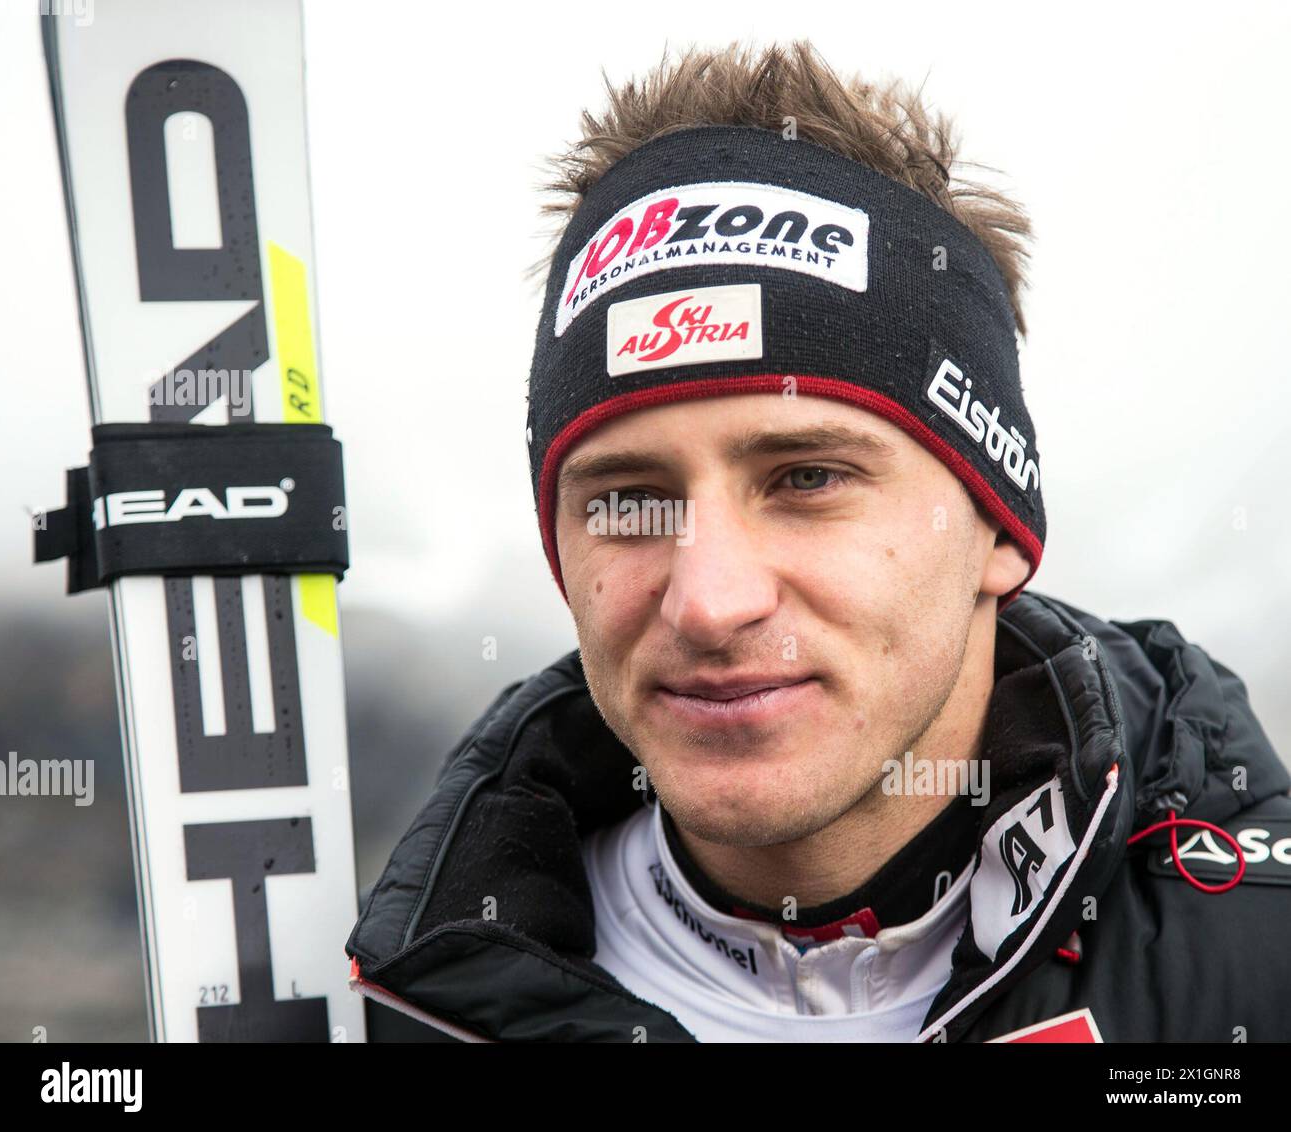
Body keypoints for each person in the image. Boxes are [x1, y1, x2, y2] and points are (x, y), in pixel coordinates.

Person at [346, 41, 1291, 1042]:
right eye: (627, 499)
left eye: (807, 478)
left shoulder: (1255, 968)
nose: (708, 600)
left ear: (999, 527)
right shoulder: (415, 997)